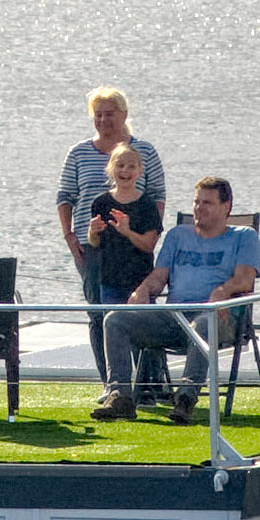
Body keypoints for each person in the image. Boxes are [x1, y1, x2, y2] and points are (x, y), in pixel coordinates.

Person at [98, 175, 259, 424]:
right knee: (115, 319)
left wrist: (223, 291)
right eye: (196, 202)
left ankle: (185, 397)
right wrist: (143, 290)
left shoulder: (244, 236)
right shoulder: (177, 235)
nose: (199, 208)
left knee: (203, 324)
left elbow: (245, 279)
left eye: (207, 203)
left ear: (226, 207)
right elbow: (159, 277)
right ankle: (120, 396)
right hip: (175, 317)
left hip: (221, 317)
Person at [55, 88, 165, 382]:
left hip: (135, 248)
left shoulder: (144, 151)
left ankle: (151, 383)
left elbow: (157, 195)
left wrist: (148, 234)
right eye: (98, 115)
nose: (103, 120)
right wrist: (70, 236)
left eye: (109, 114)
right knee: (98, 313)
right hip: (93, 247)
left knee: (142, 311)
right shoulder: (79, 152)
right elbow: (65, 196)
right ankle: (112, 383)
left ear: (124, 114)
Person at [81, 145, 162, 404]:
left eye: (131, 166)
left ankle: (148, 389)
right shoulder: (101, 202)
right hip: (110, 278)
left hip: (139, 279)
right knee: (111, 331)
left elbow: (149, 244)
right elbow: (95, 243)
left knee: (143, 335)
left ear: (140, 171)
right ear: (111, 169)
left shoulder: (147, 204)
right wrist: (92, 231)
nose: (125, 171)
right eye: (120, 165)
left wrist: (127, 231)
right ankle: (115, 387)